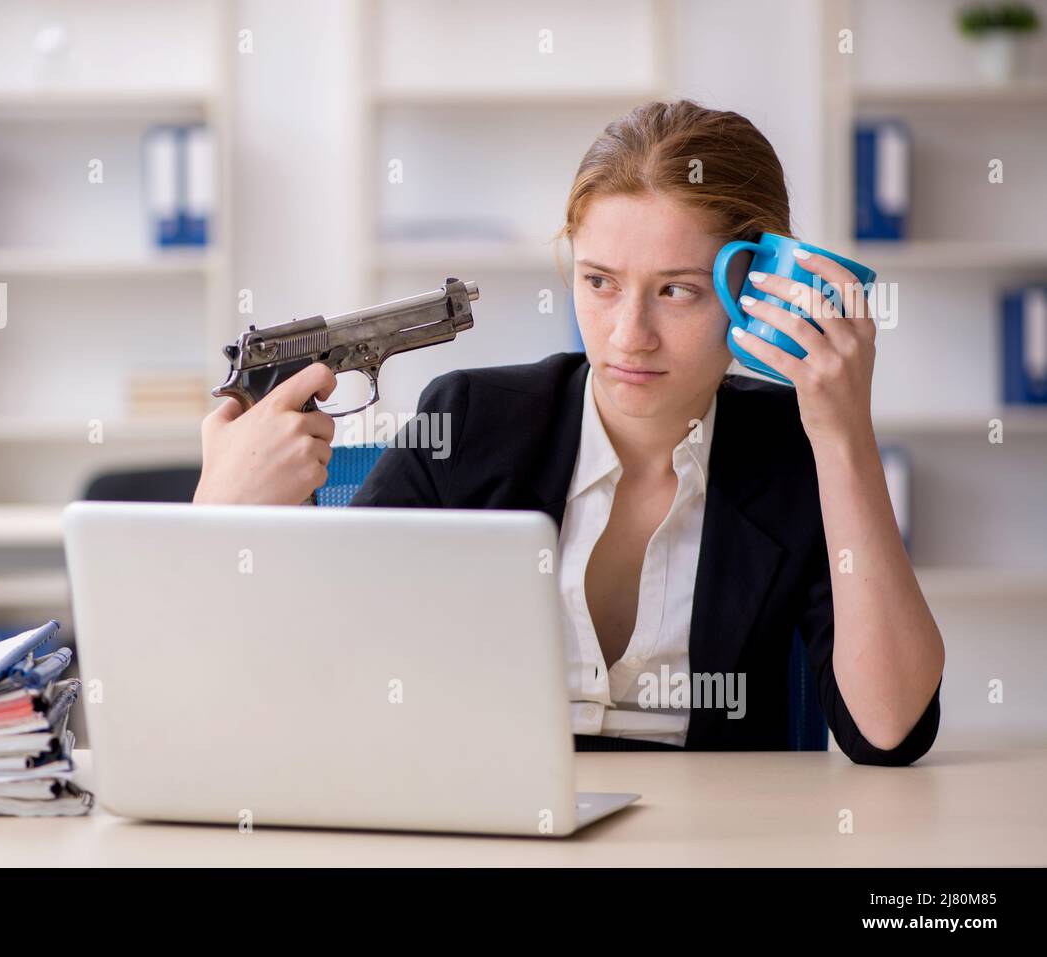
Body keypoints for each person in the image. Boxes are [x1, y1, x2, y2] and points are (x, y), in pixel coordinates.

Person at [193, 99, 944, 765]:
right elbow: (314, 671)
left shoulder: (792, 450)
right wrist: (218, 522)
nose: (629, 335)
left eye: (676, 290)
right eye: (600, 281)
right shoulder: (468, 421)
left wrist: (844, 435)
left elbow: (888, 729)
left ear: (759, 287)